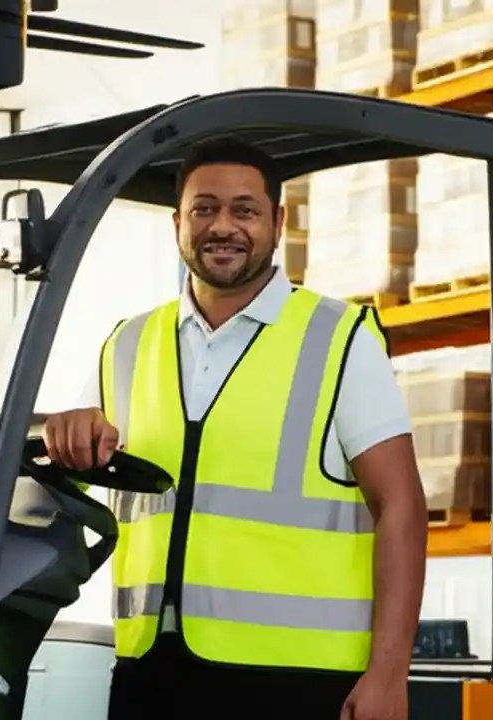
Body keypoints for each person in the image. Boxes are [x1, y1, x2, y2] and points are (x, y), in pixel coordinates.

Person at [42, 138, 428, 719]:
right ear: (178, 223)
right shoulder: (128, 344)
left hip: (295, 679)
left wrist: (389, 674)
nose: (223, 226)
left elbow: (401, 504)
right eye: (205, 209)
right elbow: (76, 462)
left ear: (277, 222)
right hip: (154, 670)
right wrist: (67, 432)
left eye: (244, 210)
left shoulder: (339, 338)